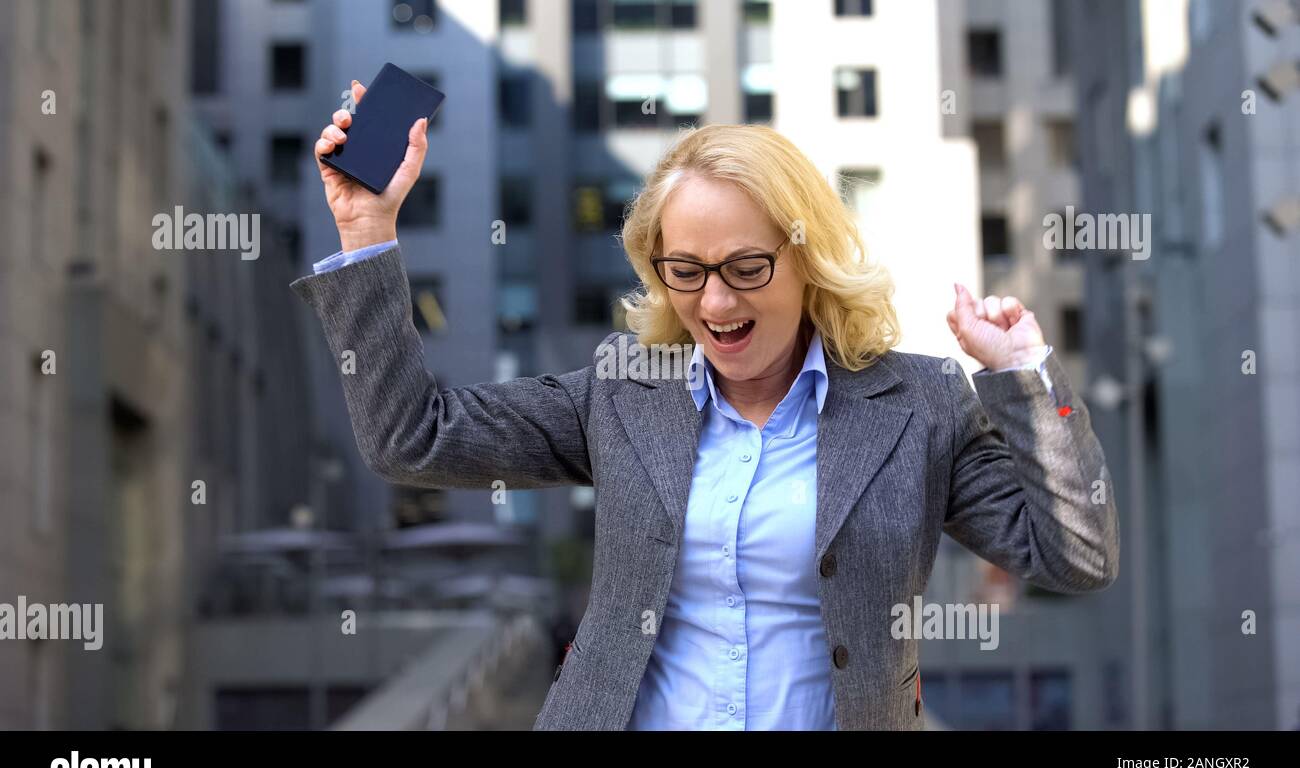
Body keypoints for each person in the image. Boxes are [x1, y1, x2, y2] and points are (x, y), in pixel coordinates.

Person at [291, 81, 1120, 730]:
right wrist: (368, 234)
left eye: (745, 268)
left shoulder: (921, 405)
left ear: (808, 258)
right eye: (685, 270)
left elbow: (1076, 555)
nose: (715, 303)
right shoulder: (623, 390)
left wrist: (1027, 376)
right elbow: (413, 438)